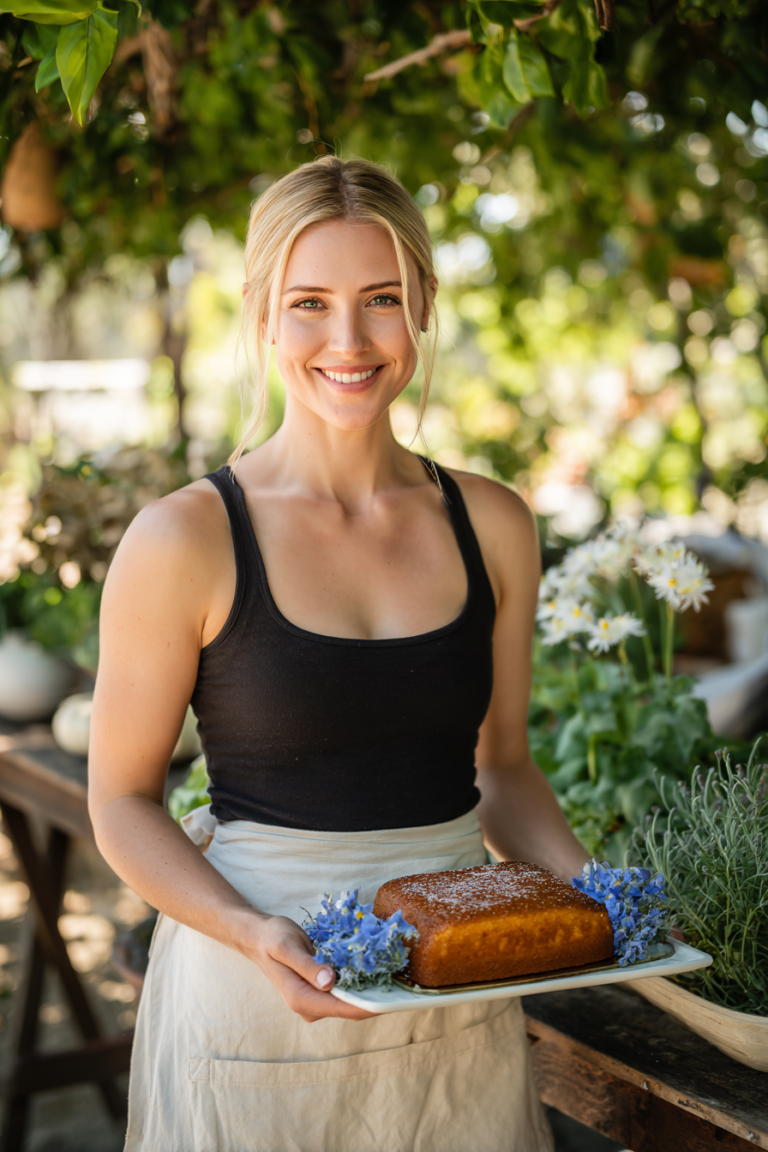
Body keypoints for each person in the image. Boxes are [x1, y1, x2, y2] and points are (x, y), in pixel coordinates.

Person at [88, 155, 587, 1152]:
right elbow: (121, 802)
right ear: (263, 315)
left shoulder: (493, 524)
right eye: (309, 302)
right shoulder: (183, 540)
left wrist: (603, 900)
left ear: (425, 307)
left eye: (382, 299)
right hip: (261, 997)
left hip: (459, 1001)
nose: (349, 340)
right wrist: (252, 932)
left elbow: (506, 770)